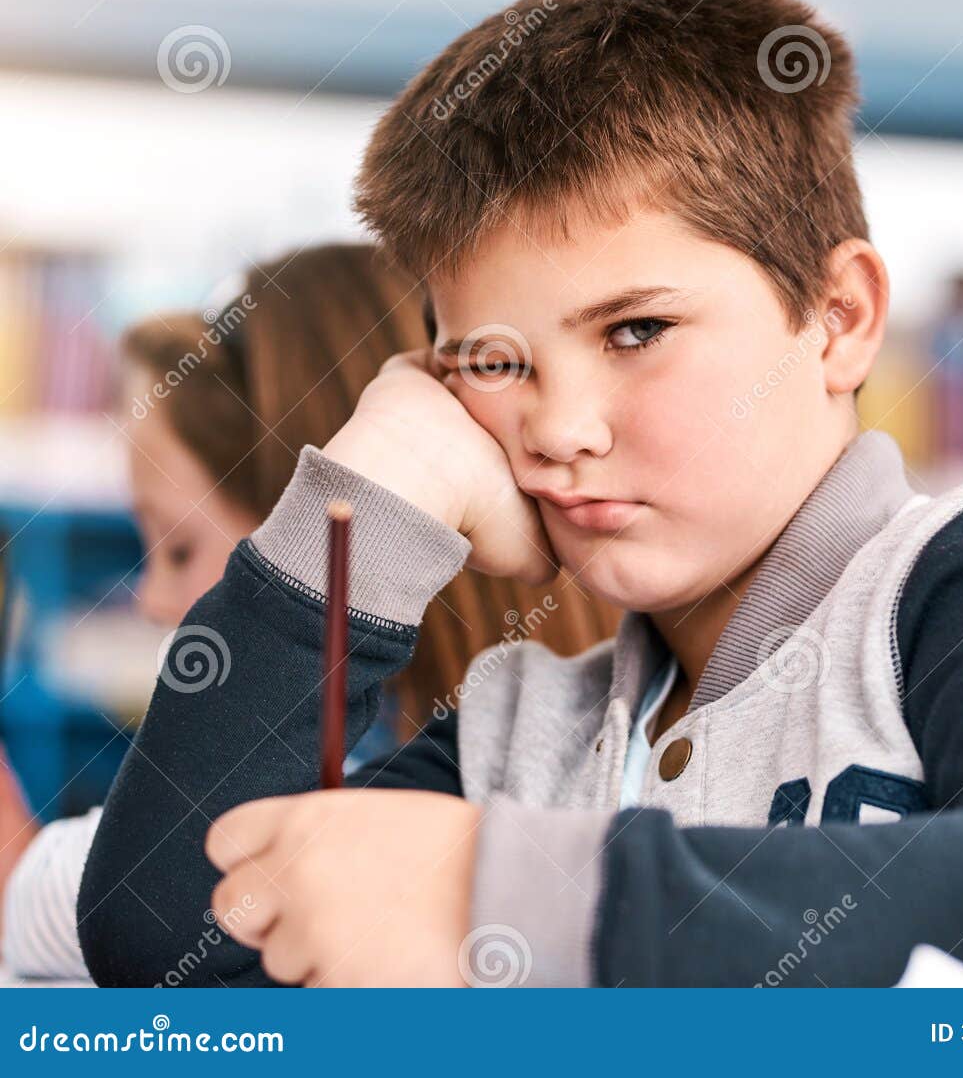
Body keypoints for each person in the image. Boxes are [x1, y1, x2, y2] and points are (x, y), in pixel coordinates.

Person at [79, 0, 963, 988]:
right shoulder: (521, 726)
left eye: (636, 330)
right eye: (493, 361)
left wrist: (512, 893)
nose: (558, 429)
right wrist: (366, 506)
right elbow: (169, 942)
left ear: (838, 319)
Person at [2, 242, 615, 979]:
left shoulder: (454, 782)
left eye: (180, 548)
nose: (153, 599)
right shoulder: (477, 747)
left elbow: (117, 899)